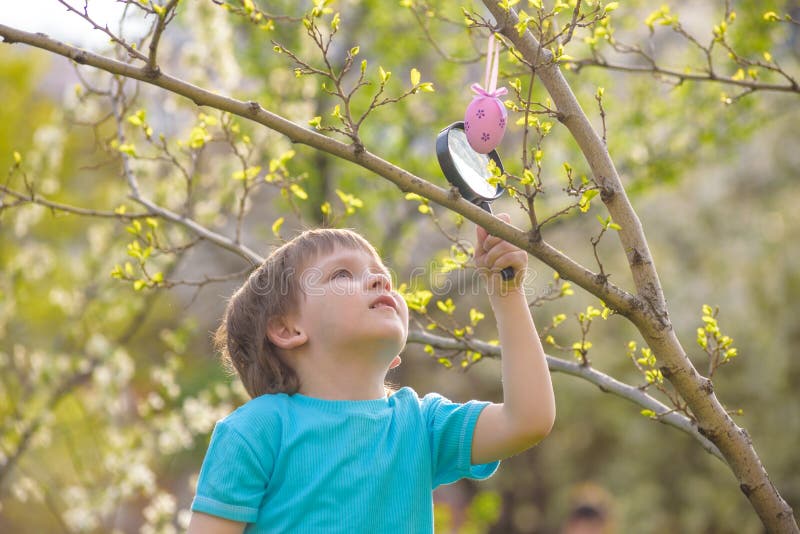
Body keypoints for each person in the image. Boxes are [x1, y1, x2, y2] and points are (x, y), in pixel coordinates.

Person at [187, 215, 555, 533]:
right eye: (343, 273)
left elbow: (528, 420)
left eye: (383, 276)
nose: (380, 282)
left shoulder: (421, 426)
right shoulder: (257, 430)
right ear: (287, 329)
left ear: (394, 357)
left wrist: (507, 294)